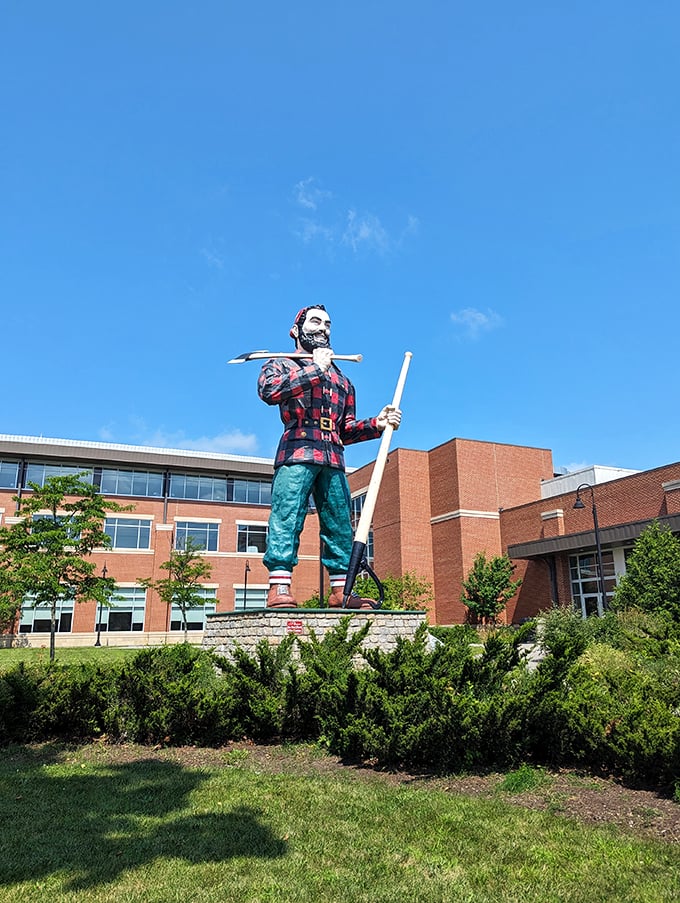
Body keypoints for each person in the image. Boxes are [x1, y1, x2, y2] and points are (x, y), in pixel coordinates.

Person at [258, 305, 401, 608]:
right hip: (296, 450)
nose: (323, 328)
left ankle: (341, 590)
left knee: (339, 523)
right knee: (287, 516)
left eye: (327, 324)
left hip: (333, 458)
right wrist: (314, 369)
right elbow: (269, 391)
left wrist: (376, 423)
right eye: (315, 322)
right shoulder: (281, 364)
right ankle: (279, 586)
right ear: (295, 330)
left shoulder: (344, 382)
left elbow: (345, 430)